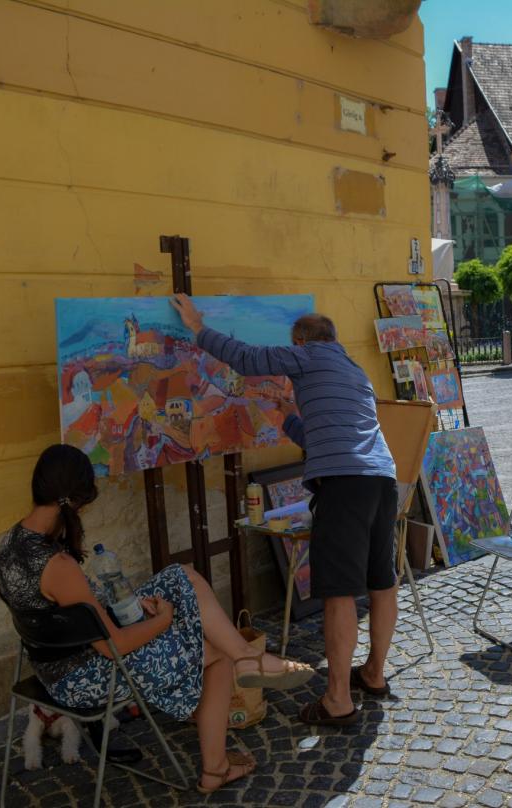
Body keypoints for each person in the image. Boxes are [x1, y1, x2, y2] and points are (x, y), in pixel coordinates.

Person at [0, 444, 313, 794]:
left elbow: (70, 614)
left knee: (181, 576)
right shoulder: (59, 567)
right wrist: (163, 621)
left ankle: (248, 657)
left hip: (58, 664)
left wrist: (133, 608)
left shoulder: (10, 542)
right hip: (84, 679)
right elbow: (114, 645)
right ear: (78, 500)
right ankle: (215, 767)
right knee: (214, 655)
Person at [171, 294, 398, 727]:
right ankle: (373, 675)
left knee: (338, 592)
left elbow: (247, 357)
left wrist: (198, 327)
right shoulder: (352, 370)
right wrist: (289, 413)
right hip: (380, 480)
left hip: (345, 487)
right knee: (381, 582)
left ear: (300, 343)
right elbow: (322, 437)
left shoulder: (307, 355)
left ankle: (337, 702)